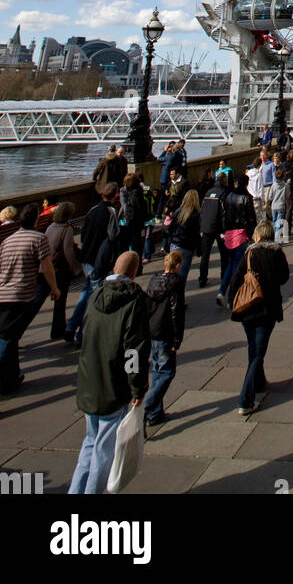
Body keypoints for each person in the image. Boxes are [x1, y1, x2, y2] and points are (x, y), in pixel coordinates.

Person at [68, 251, 150, 495]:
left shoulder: (95, 294)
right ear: (134, 272)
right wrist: (138, 387)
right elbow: (133, 351)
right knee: (104, 451)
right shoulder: (133, 302)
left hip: (88, 381)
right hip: (113, 386)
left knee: (89, 443)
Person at [227, 220, 289, 416]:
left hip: (248, 309)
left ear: (257, 235)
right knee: (257, 353)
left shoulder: (250, 252)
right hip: (267, 310)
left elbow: (236, 278)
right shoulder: (277, 253)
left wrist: (232, 302)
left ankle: (259, 382)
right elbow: (284, 277)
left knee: (253, 348)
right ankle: (245, 400)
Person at [0, 203, 60, 393]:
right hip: (20, 294)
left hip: (3, 292)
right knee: (7, 338)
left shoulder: (8, 240)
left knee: (12, 335)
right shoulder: (38, 238)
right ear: (35, 220)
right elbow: (47, 267)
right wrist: (54, 288)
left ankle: (12, 378)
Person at [66, 183, 122, 348]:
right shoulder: (111, 212)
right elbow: (114, 236)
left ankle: (70, 326)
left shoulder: (91, 210)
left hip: (86, 259)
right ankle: (82, 336)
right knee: (94, 298)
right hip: (99, 261)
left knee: (86, 293)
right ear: (115, 196)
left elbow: (83, 234)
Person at [143, 250, 185, 427]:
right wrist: (177, 339)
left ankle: (155, 414)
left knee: (157, 372)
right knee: (167, 373)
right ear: (177, 265)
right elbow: (176, 313)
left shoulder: (153, 280)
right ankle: (147, 406)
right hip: (165, 332)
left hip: (151, 331)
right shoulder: (175, 283)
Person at [42, 202, 82, 340]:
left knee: (38, 300)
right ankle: (57, 330)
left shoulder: (50, 227)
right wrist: (76, 268)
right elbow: (68, 251)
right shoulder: (67, 229)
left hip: (47, 267)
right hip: (60, 269)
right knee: (60, 301)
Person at [217, 174, 256, 306]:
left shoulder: (229, 196)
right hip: (241, 234)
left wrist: (223, 231)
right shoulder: (246, 198)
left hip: (229, 235)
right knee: (238, 267)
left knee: (231, 263)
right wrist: (252, 235)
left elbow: (224, 215)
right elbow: (251, 218)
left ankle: (222, 291)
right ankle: (232, 297)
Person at [198, 172, 228, 287]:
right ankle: (224, 275)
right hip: (219, 228)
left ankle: (202, 278)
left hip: (206, 227)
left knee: (205, 255)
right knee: (223, 254)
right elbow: (224, 213)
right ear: (224, 181)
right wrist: (224, 229)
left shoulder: (208, 192)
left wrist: (202, 226)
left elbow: (203, 210)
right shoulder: (224, 193)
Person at [169, 190, 201, 281]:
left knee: (172, 270)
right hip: (187, 247)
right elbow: (196, 234)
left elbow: (171, 228)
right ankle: (179, 293)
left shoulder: (179, 211)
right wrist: (199, 249)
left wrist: (169, 242)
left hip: (175, 243)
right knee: (182, 273)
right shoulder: (195, 214)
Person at [119, 173, 147, 260]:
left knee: (132, 246)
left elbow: (128, 210)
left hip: (131, 224)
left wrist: (127, 222)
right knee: (136, 245)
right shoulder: (139, 192)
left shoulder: (133, 195)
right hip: (138, 223)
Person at [271, 168, 288, 243]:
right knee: (279, 222)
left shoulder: (273, 185)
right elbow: (287, 195)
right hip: (281, 205)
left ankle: (275, 236)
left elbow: (270, 197)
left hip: (274, 206)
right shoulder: (285, 185)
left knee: (274, 221)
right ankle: (277, 238)